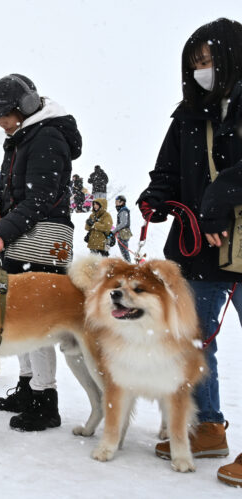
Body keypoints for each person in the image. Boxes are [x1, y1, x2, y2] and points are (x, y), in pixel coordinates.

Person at [136, 18, 242, 486]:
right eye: (195, 63)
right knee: (193, 341)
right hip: (198, 248)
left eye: (210, 61)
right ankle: (207, 426)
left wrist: (221, 197)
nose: (202, 71)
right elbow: (169, 170)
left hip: (236, 239)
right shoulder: (187, 115)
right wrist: (154, 197)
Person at [0, 74, 81, 432]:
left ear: (24, 106)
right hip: (22, 235)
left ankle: (44, 399)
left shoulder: (47, 137)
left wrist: (4, 230)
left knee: (38, 322)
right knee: (16, 315)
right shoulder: (20, 139)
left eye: (4, 113)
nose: (0, 122)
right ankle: (26, 385)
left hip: (43, 240)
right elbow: (12, 190)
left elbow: (41, 197)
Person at [112, 195, 133, 262]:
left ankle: (129, 265)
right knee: (124, 251)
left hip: (123, 234)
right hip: (122, 233)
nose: (116, 204)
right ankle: (128, 264)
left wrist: (114, 231)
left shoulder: (124, 211)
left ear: (122, 202)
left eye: (117, 202)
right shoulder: (121, 210)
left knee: (125, 251)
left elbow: (123, 223)